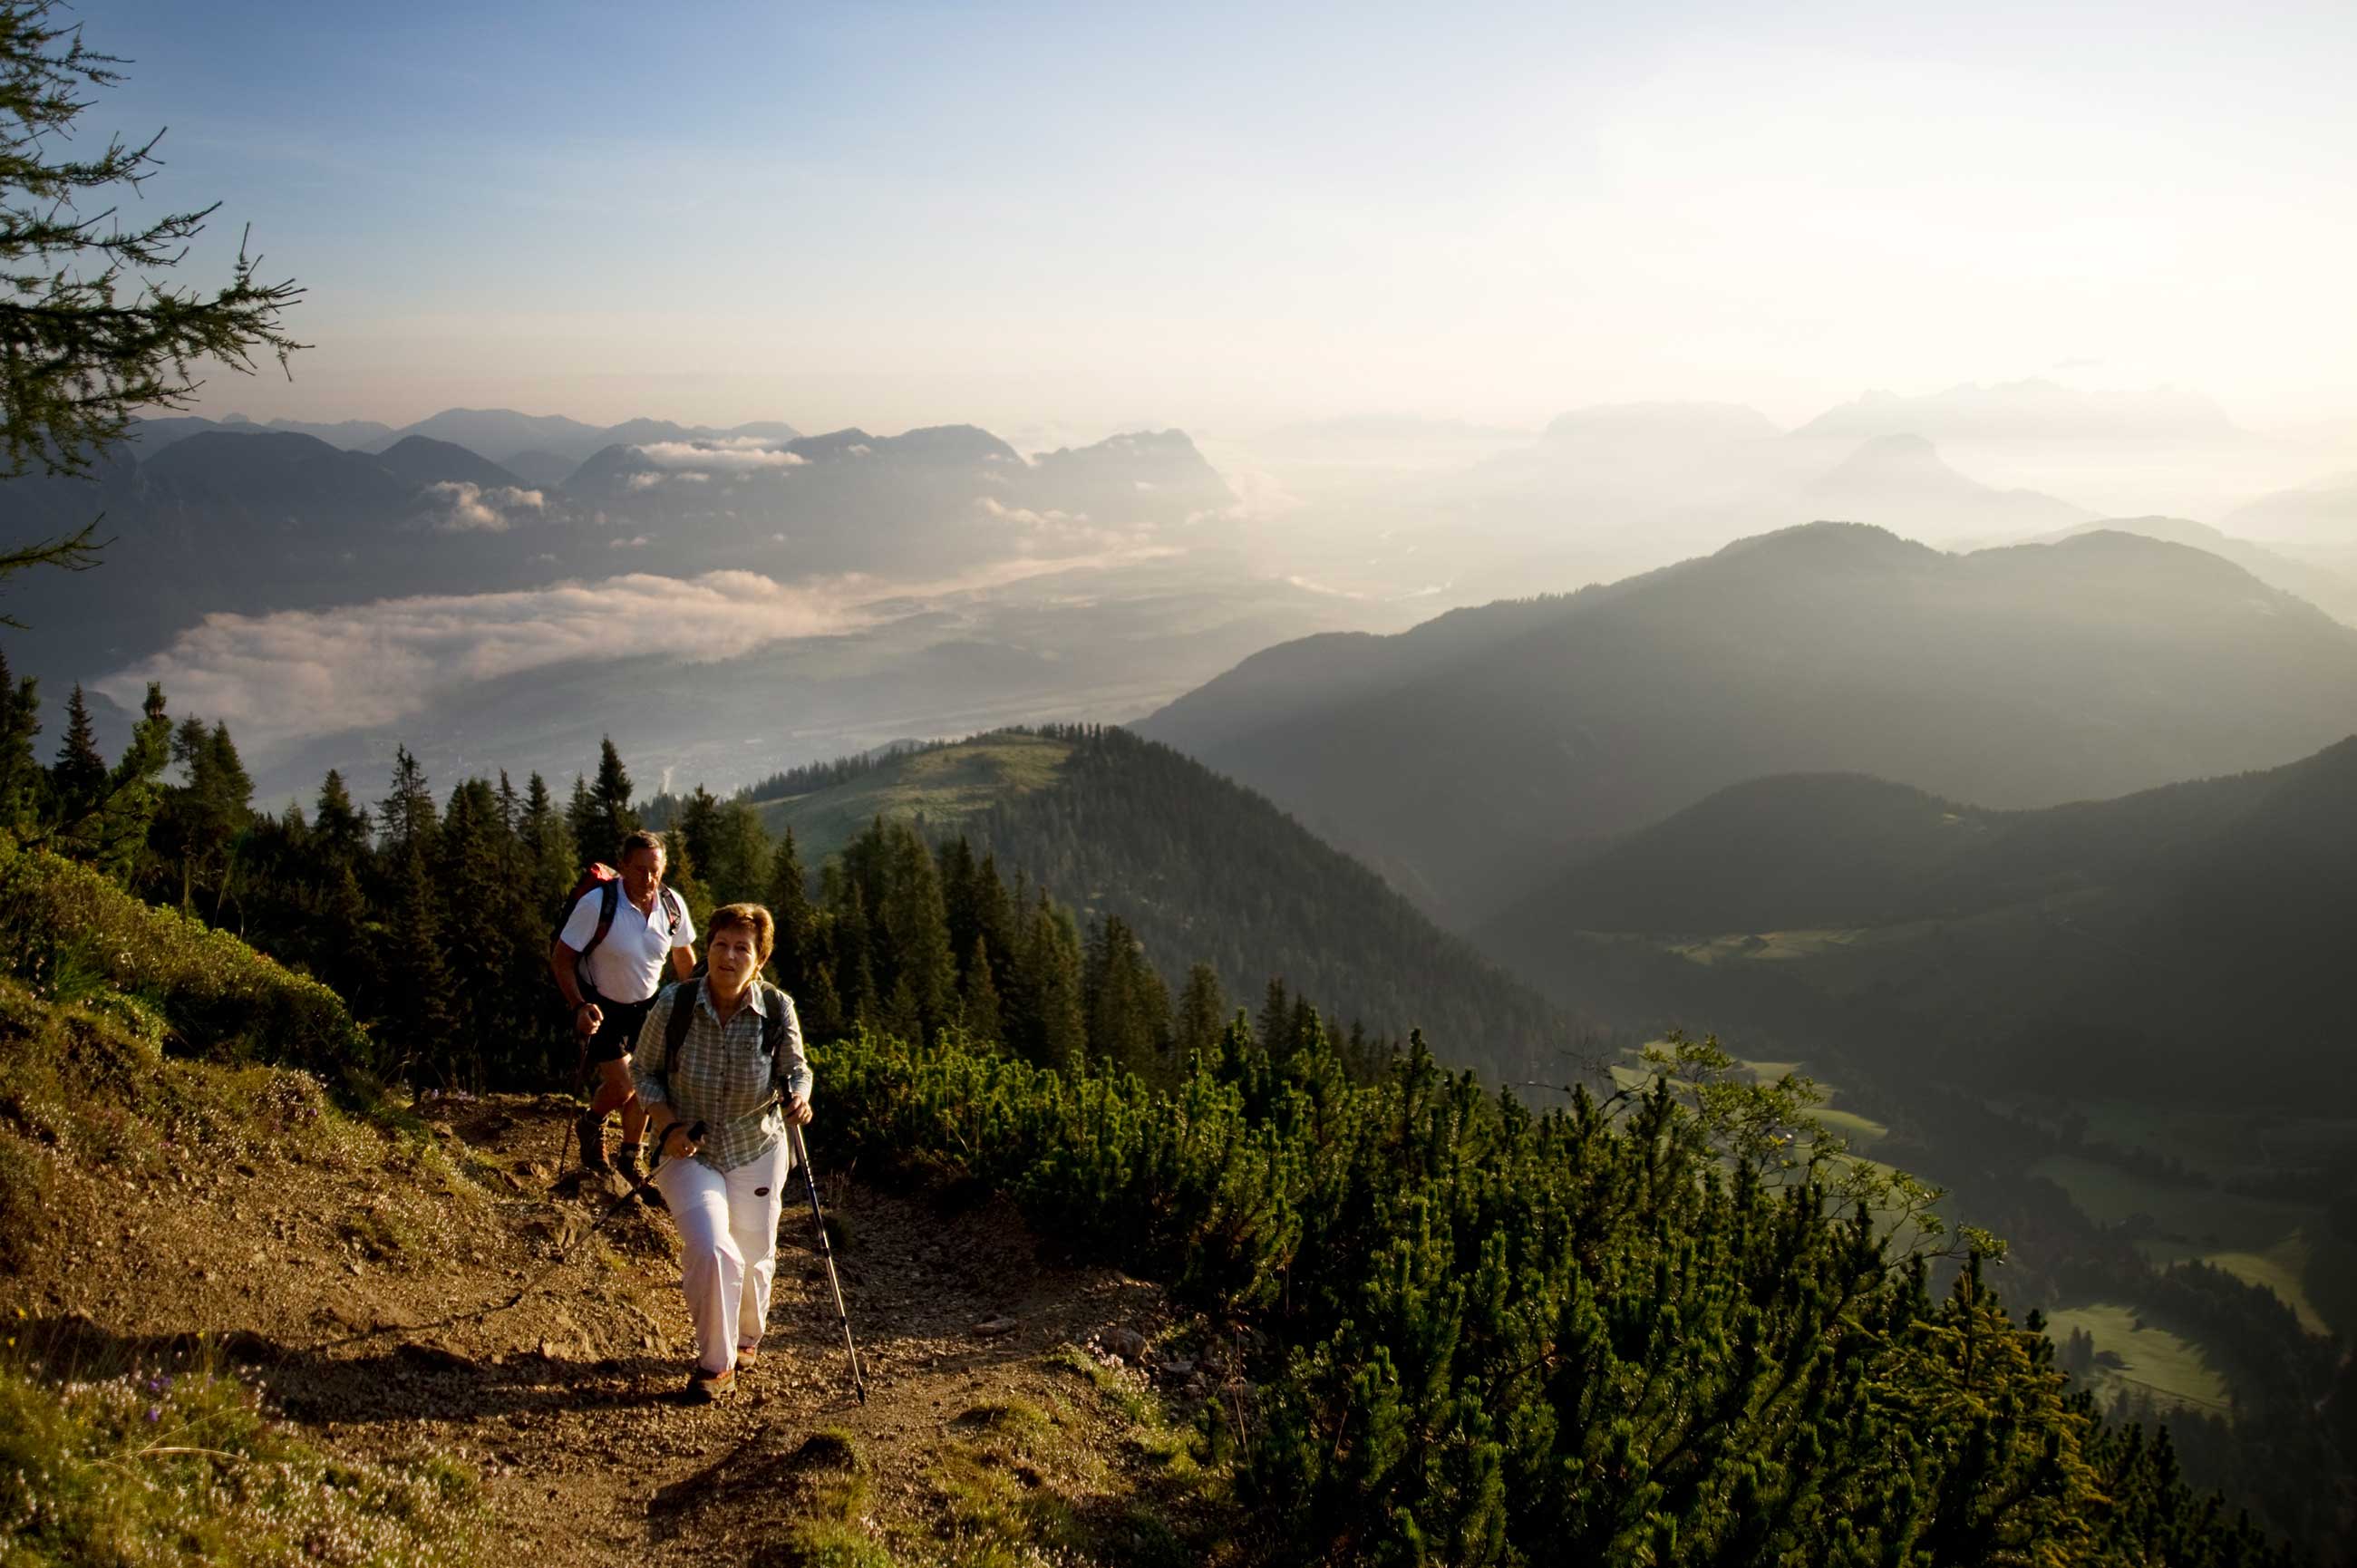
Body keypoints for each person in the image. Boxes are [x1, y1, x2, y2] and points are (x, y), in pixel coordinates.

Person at [635, 902, 813, 1402]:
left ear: (760, 960)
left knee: (754, 1254)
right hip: (688, 1151)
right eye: (719, 944)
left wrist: (801, 1097)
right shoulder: (674, 1004)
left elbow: (796, 1068)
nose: (727, 956)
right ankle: (717, 1362)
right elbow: (643, 1071)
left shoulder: (776, 1009)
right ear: (706, 948)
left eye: (742, 948)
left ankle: (747, 1336)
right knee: (714, 1249)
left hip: (757, 1144)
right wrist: (667, 1126)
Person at [550, 829, 696, 1179]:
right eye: (640, 869)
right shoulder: (597, 905)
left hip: (648, 1006)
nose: (649, 878)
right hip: (601, 1004)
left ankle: (631, 1156)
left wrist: (695, 1003)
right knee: (625, 1084)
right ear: (622, 867)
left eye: (656, 870)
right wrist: (578, 1005)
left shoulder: (672, 905)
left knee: (649, 1087)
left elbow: (684, 956)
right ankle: (592, 1122)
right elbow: (561, 959)